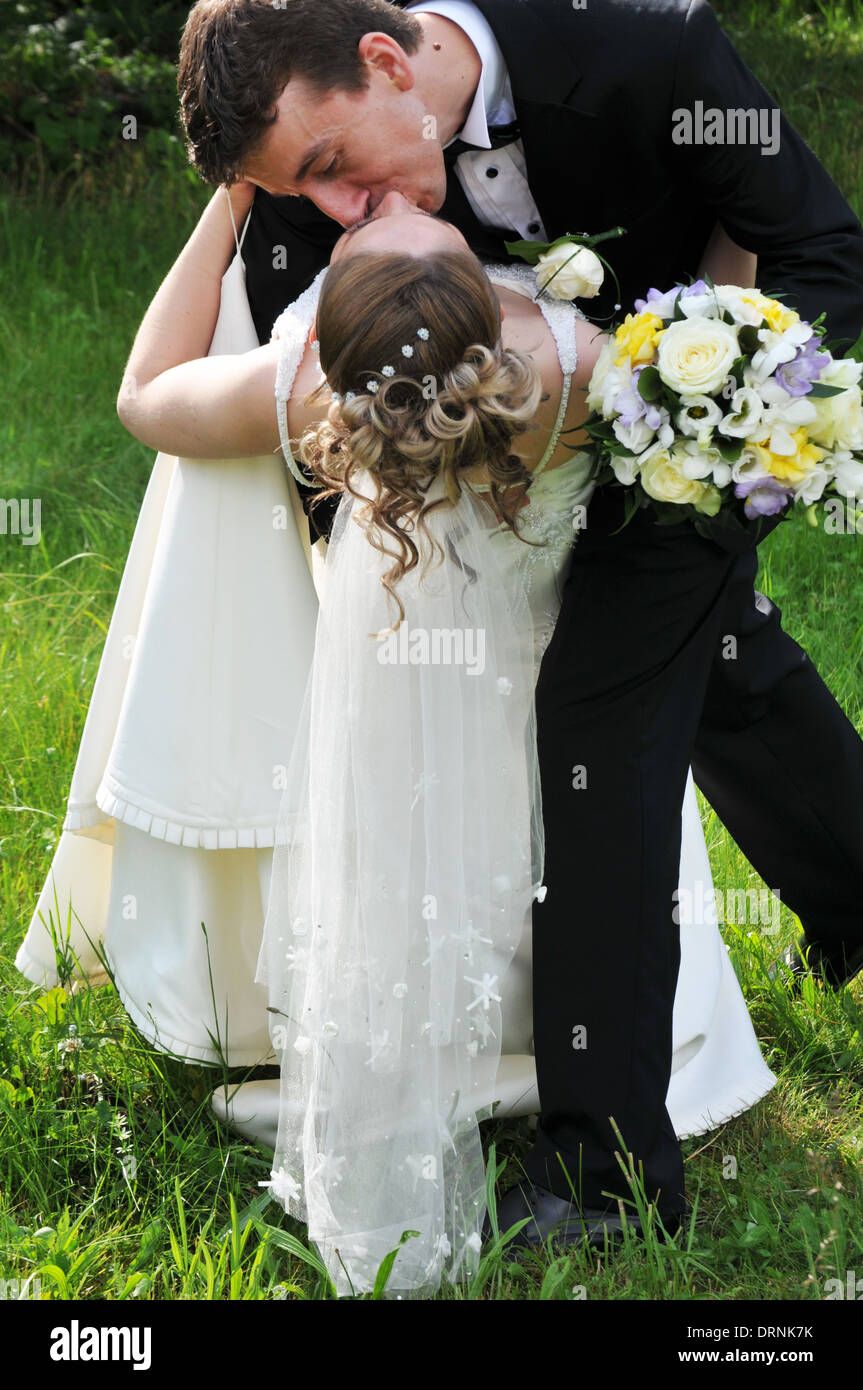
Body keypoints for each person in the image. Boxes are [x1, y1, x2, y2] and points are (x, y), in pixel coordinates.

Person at [173, 0, 863, 1252]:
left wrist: (721, 430)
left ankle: (603, 1184)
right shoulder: (307, 175)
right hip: (496, 495)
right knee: (724, 667)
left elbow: (825, 250)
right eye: (297, 190)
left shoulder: (660, 53)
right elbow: (309, 346)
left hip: (680, 438)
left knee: (596, 731)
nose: (330, 210)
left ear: (388, 61)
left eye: (330, 169)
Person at [91, 179, 773, 1295]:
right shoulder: (574, 369)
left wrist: (224, 208)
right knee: (580, 859)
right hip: (571, 708)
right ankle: (576, 1054)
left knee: (410, 881)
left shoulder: (307, 387)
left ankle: (447, 1053)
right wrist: (736, 220)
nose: (378, 205)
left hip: (395, 717)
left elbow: (143, 396)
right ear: (486, 305)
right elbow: (716, 353)